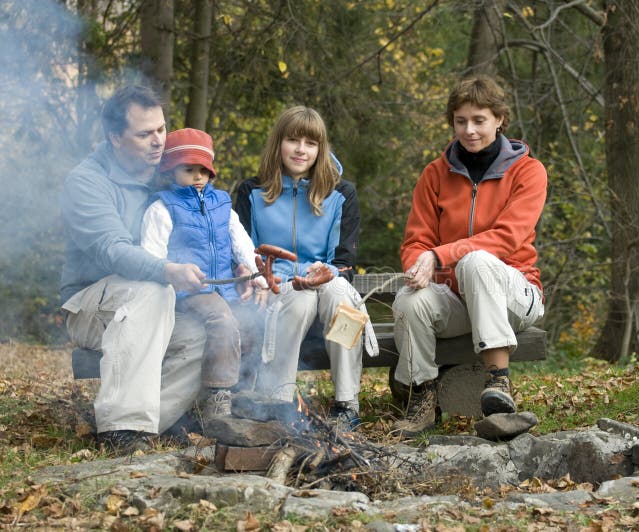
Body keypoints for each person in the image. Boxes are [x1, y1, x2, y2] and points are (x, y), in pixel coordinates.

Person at [391, 76, 547, 436]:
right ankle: (422, 398)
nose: (470, 130)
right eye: (461, 121)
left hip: (516, 296)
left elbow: (507, 239)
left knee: (474, 261)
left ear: (499, 119)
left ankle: (498, 382)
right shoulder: (435, 174)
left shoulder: (527, 171)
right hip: (459, 299)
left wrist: (439, 255)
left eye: (479, 120)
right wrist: (419, 266)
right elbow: (416, 241)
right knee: (409, 300)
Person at [60, 86, 209, 455]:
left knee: (201, 335)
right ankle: (122, 427)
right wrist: (169, 270)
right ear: (115, 137)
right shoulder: (86, 181)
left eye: (160, 129)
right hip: (91, 303)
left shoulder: (169, 173)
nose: (158, 140)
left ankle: (152, 423)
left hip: (156, 301)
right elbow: (112, 250)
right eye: (145, 133)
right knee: (151, 290)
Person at [234, 105, 377, 429]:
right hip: (276, 288)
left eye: (310, 143)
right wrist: (260, 277)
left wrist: (323, 275)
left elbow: (343, 263)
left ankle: (346, 402)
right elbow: (244, 253)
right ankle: (277, 400)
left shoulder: (341, 194)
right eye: (293, 140)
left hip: (327, 284)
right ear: (278, 143)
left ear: (320, 148)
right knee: (299, 298)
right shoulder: (251, 192)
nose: (301, 150)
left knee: (343, 294)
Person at [140, 128, 268, 420]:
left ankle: (244, 391)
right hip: (191, 290)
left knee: (250, 321)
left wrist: (258, 277)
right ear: (172, 170)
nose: (197, 176)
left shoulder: (222, 204)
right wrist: (169, 276)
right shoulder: (163, 207)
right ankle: (217, 396)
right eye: (188, 169)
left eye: (203, 170)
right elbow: (151, 254)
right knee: (221, 321)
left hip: (225, 286)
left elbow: (242, 244)